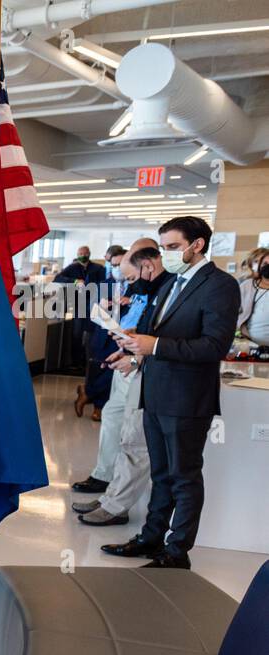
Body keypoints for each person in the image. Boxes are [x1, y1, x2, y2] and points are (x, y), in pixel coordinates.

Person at [102, 216, 240, 569]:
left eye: (174, 247)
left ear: (198, 245)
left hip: (188, 398)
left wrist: (156, 345)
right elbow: (151, 331)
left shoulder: (220, 285)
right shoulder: (171, 284)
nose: (167, 253)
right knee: (160, 475)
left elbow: (213, 346)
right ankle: (151, 538)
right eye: (164, 247)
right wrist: (131, 349)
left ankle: (177, 551)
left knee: (183, 476)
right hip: (157, 392)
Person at [76, 247, 165, 527]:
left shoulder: (164, 290)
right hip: (125, 358)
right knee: (116, 424)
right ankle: (109, 492)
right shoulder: (137, 287)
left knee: (133, 439)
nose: (124, 278)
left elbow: (158, 336)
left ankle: (116, 505)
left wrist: (135, 358)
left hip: (142, 367)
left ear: (147, 264)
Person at [78, 244, 129, 420]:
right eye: (113, 265)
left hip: (125, 335)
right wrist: (101, 307)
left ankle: (89, 394)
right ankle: (97, 404)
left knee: (113, 372)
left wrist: (127, 302)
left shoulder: (135, 285)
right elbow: (91, 310)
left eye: (119, 265)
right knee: (101, 369)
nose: (116, 269)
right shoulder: (104, 285)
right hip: (103, 334)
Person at [54, 246, 108, 376]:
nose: (83, 255)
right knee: (77, 334)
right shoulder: (72, 268)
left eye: (85, 253)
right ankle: (76, 362)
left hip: (95, 304)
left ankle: (90, 361)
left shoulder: (98, 268)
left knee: (92, 334)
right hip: (78, 305)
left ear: (89, 254)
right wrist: (74, 281)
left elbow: (104, 283)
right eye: (80, 253)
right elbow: (57, 279)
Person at [237, 257, 269, 346]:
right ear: (259, 266)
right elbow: (233, 311)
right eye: (265, 264)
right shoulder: (247, 285)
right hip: (250, 344)